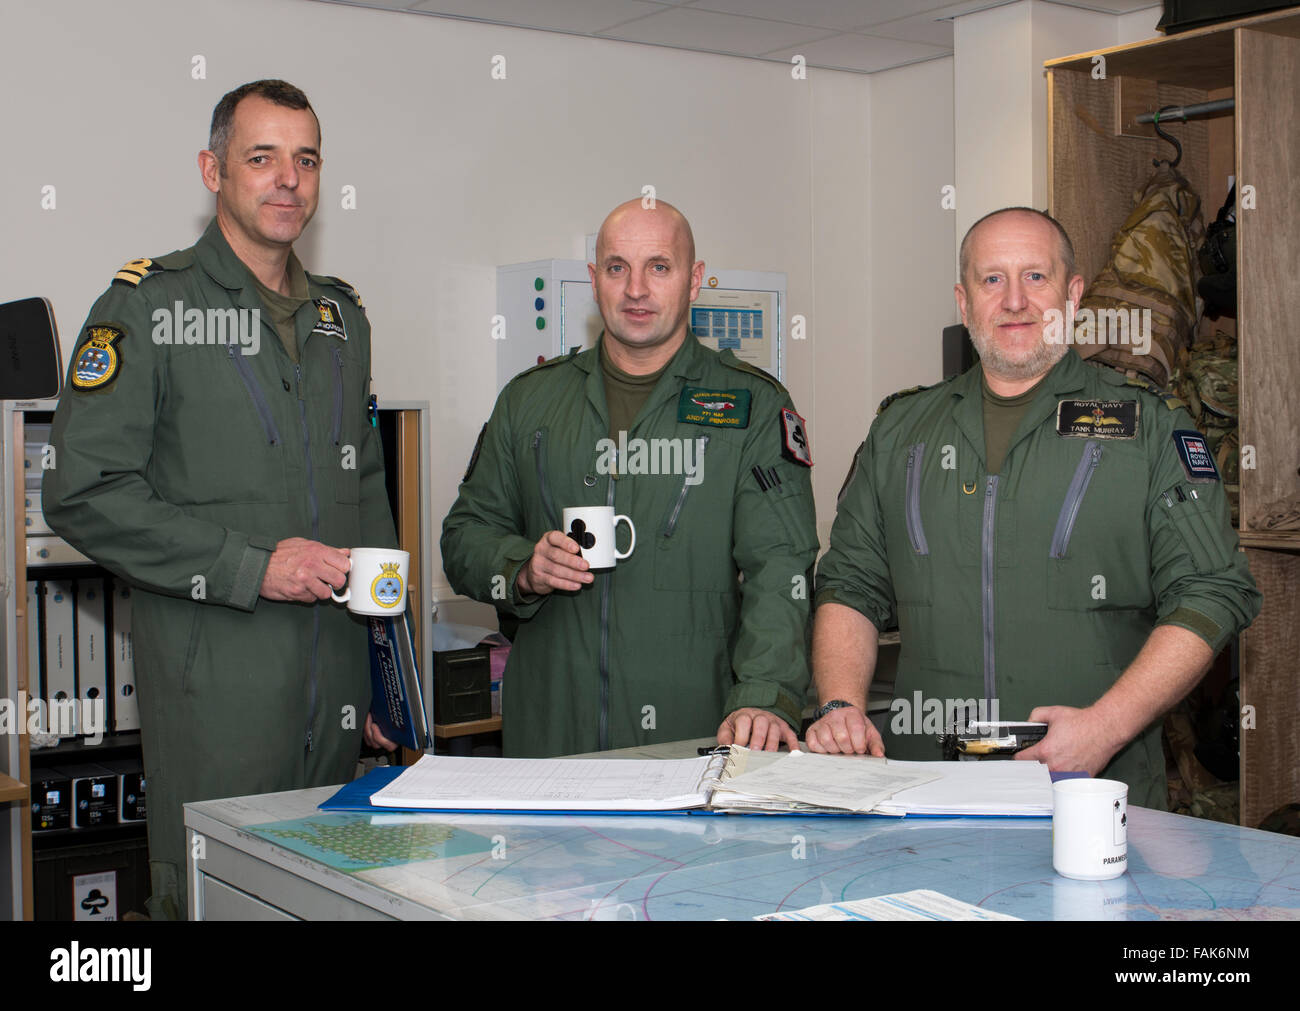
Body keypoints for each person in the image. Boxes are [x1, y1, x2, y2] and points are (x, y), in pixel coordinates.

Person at [44, 80, 398, 919]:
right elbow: (82, 491)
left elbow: (366, 490)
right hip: (220, 695)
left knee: (331, 899)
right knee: (217, 901)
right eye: (262, 157)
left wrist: (386, 668)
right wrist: (250, 565)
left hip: (337, 690)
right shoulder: (145, 305)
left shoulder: (341, 317)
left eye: (305, 160)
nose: (288, 179)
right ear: (214, 170)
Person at [807, 207, 1260, 809]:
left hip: (1093, 793)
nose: (1015, 300)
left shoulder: (1148, 426)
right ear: (963, 303)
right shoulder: (901, 430)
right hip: (923, 793)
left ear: (1072, 296)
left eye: (1036, 278)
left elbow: (1213, 590)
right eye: (992, 280)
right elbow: (850, 584)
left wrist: (1104, 727)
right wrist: (841, 706)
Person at [441, 199, 818, 757]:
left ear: (694, 282)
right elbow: (465, 535)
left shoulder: (754, 406)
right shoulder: (530, 402)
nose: (636, 289)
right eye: (618, 268)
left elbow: (780, 571)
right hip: (549, 737)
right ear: (595, 282)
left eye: (659, 267)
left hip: (693, 737)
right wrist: (521, 569)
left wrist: (764, 694)